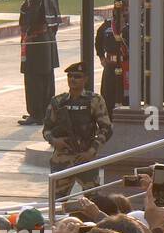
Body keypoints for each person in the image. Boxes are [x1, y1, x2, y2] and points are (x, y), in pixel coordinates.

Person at [42, 62, 112, 199]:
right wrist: (55, 141)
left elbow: (106, 128)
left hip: (85, 157)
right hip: (62, 159)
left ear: (85, 79)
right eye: (70, 76)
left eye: (77, 76)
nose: (72, 79)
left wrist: (92, 151)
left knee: (93, 200)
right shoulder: (57, 102)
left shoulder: (95, 100)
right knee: (57, 201)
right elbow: (46, 129)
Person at [18, 0, 59, 125]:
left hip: (36, 41)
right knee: (46, 77)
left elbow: (29, 20)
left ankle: (36, 113)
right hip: (47, 39)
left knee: (33, 77)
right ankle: (45, 112)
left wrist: (25, 32)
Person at [94, 0, 129, 118]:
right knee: (107, 94)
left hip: (126, 64)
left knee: (125, 94)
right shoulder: (107, 26)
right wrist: (101, 57)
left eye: (123, 9)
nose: (119, 12)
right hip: (110, 64)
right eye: (117, 9)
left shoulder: (133, 25)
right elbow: (98, 42)